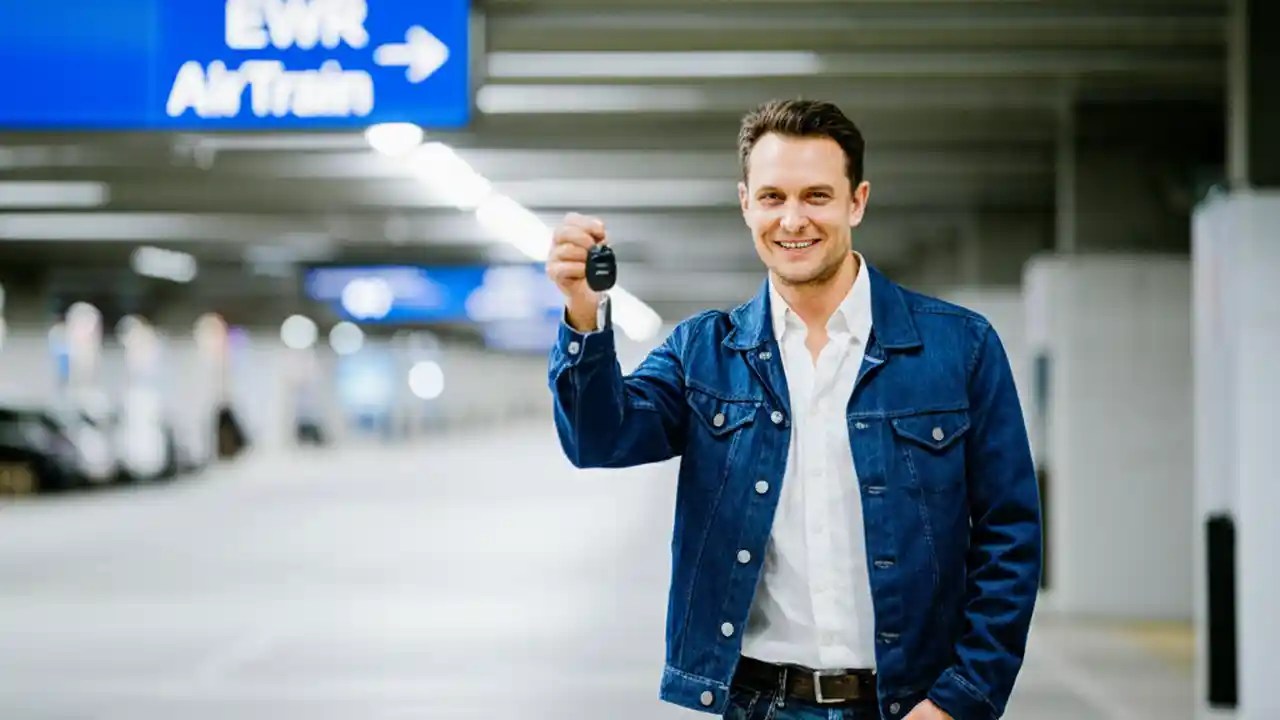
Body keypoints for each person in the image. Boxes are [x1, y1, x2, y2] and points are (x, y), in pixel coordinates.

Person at [545, 99, 1041, 720]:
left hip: (910, 706)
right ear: (746, 203)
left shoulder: (959, 347)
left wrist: (961, 696)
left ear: (856, 201)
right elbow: (599, 440)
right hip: (761, 705)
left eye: (817, 196)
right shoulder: (704, 352)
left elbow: (1010, 535)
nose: (793, 220)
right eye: (773, 197)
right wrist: (583, 316)